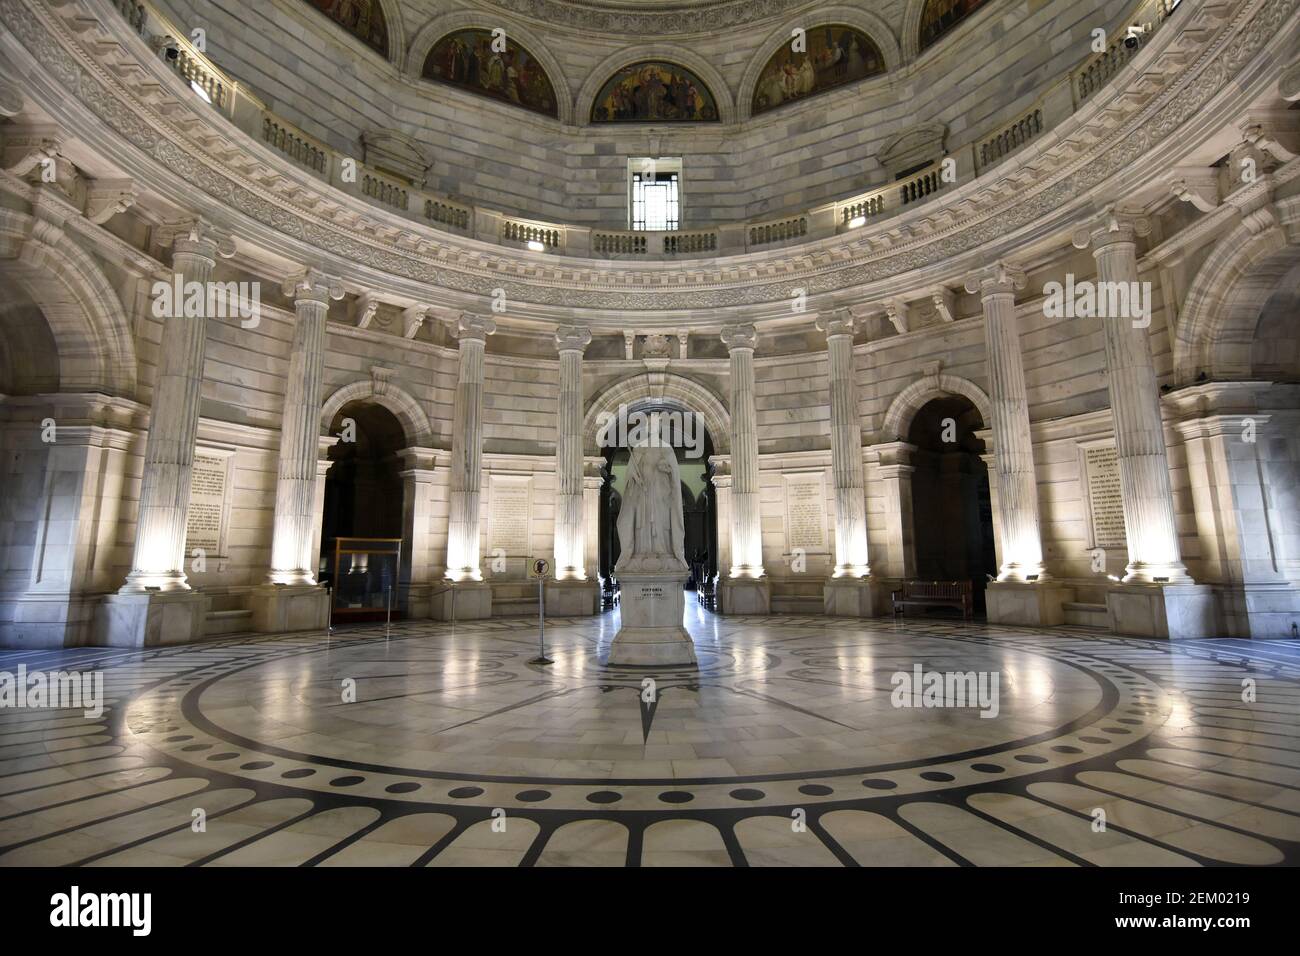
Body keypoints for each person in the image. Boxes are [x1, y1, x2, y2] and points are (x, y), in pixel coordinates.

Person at [616, 441, 686, 572]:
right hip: (643, 495)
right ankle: (641, 552)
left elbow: (674, 476)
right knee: (643, 524)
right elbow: (630, 475)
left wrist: (667, 470)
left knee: (661, 523)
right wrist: (636, 479)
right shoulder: (638, 448)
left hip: (661, 496)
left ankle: (664, 552)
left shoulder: (666, 448)